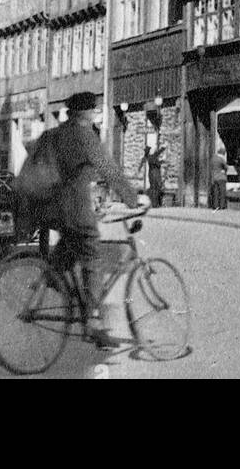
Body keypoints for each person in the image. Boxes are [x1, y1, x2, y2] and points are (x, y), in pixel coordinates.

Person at [44, 92, 148, 341]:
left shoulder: (58, 133)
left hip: (52, 207)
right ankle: (94, 322)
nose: (95, 114)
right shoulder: (84, 135)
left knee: (70, 243)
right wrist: (133, 199)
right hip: (74, 208)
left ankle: (51, 275)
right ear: (87, 112)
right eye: (94, 110)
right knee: (93, 255)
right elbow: (109, 169)